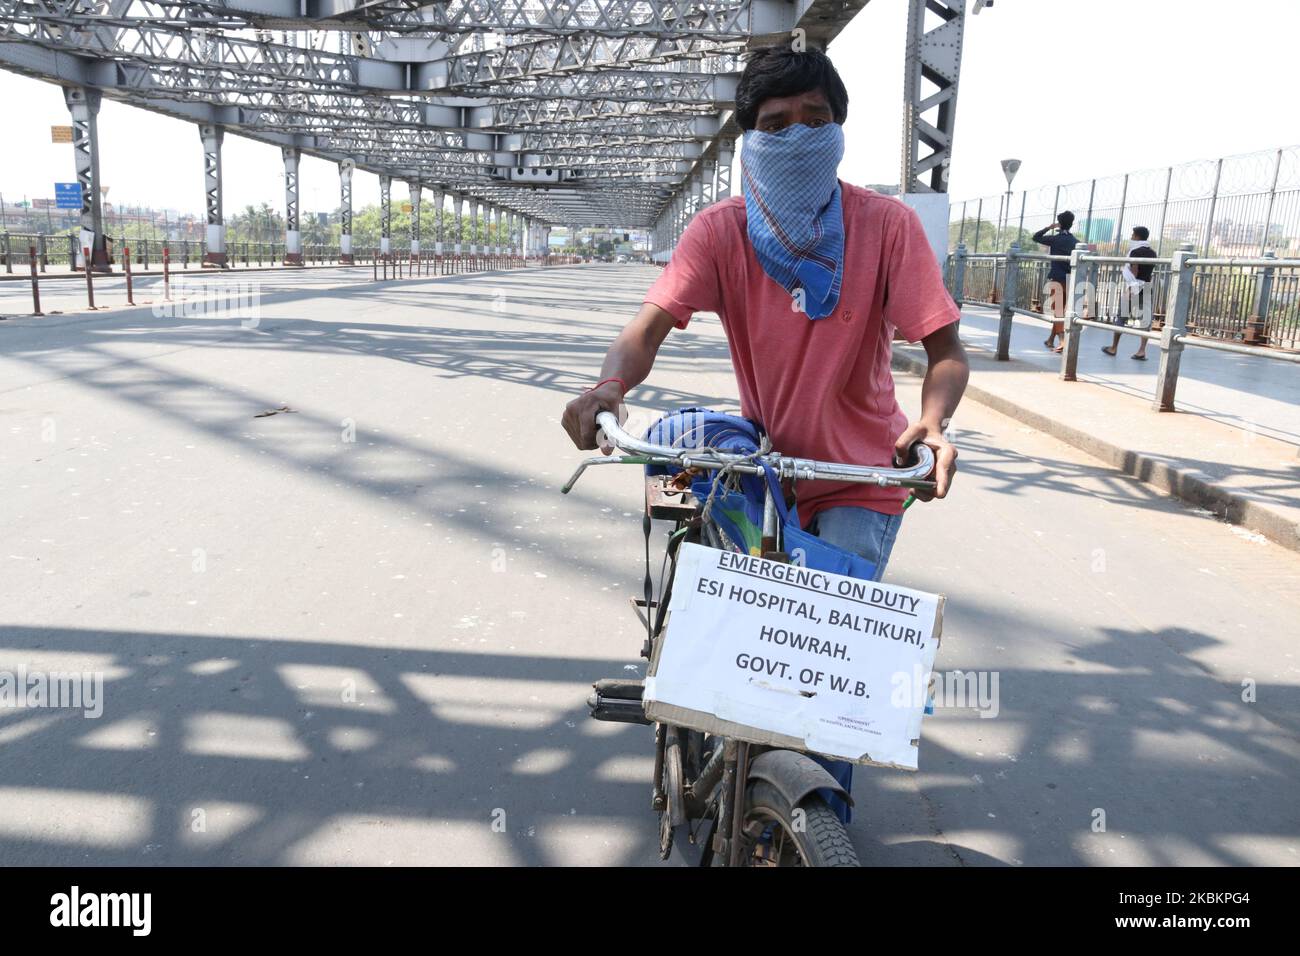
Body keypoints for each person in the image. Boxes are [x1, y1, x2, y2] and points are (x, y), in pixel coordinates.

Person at [561, 45, 969, 821]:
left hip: (862, 476)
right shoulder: (720, 232)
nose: (794, 136)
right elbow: (647, 328)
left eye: (814, 120)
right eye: (774, 124)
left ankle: (815, 822)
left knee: (824, 670)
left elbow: (944, 350)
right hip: (765, 466)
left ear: (839, 131)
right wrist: (608, 384)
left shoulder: (885, 226)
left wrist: (931, 424)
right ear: (749, 138)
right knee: (736, 636)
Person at [1102, 226, 1157, 360]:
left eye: (1133, 235)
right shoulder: (1153, 253)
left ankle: (1114, 348)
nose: (1131, 237)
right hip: (1147, 286)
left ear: (1137, 237)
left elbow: (1134, 271)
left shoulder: (1135, 251)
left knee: (1121, 316)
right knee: (1145, 320)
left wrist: (1132, 286)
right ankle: (1142, 350)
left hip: (1134, 286)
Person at [1032, 211, 1079, 351]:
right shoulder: (1075, 242)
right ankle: (1050, 339)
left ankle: (1063, 340)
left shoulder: (1055, 239)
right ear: (1072, 224)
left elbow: (1036, 237)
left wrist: (1049, 227)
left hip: (1057, 277)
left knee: (1058, 311)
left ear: (1059, 223)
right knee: (1061, 309)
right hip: (1070, 278)